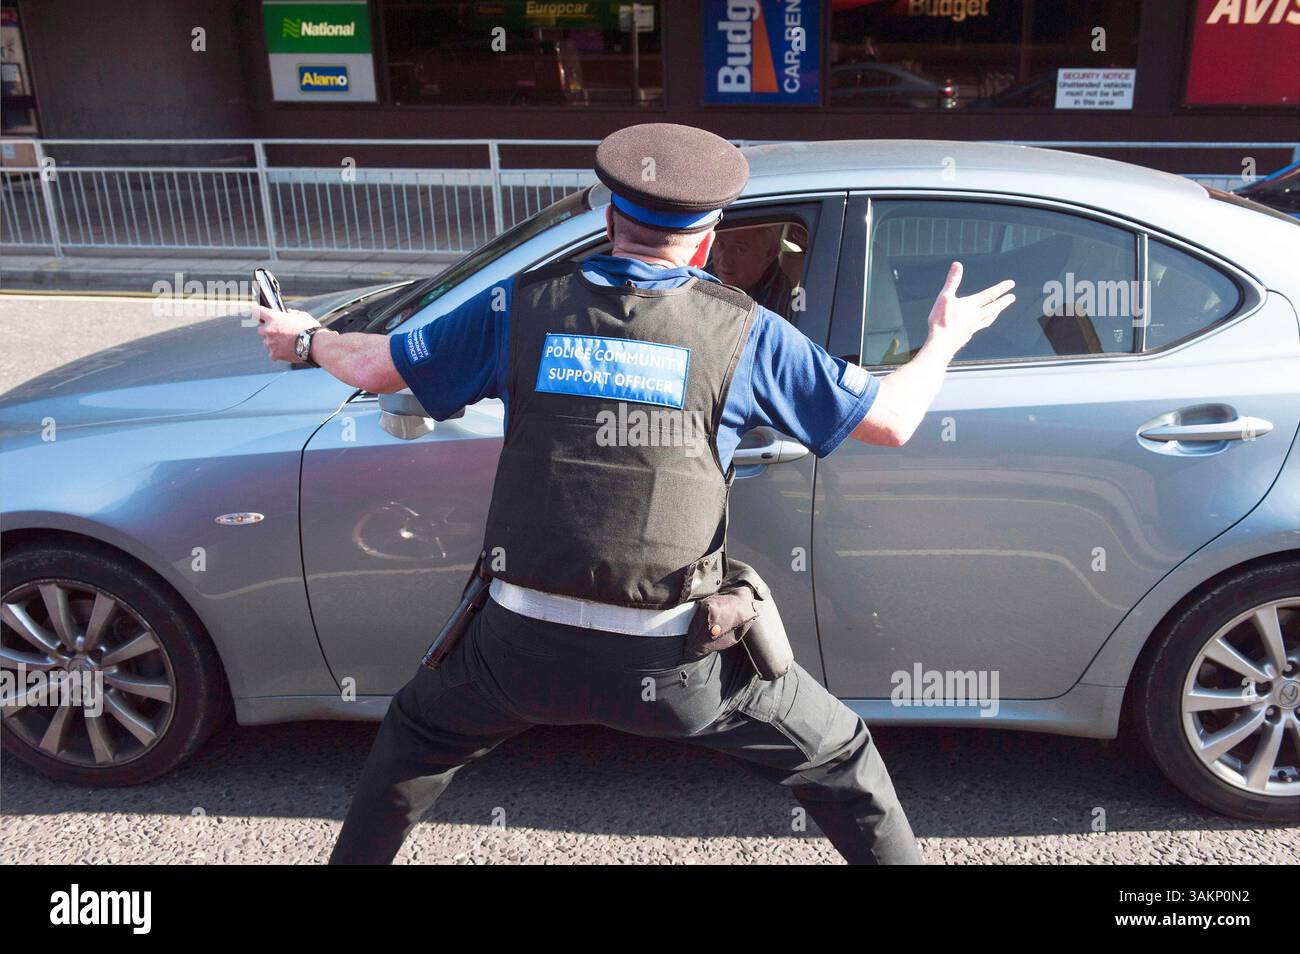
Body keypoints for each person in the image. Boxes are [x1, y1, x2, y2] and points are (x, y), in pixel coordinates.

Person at [254, 122, 1015, 865]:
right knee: (844, 761)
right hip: (677, 667)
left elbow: (374, 366)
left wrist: (302, 337)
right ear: (708, 239)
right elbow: (894, 421)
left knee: (410, 745)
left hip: (514, 656)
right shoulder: (745, 333)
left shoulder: (521, 308)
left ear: (610, 217)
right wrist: (942, 339)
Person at [710, 224, 794, 319]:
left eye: (739, 249)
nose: (724, 261)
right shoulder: (705, 262)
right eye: (720, 243)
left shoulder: (772, 309)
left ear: (770, 253)